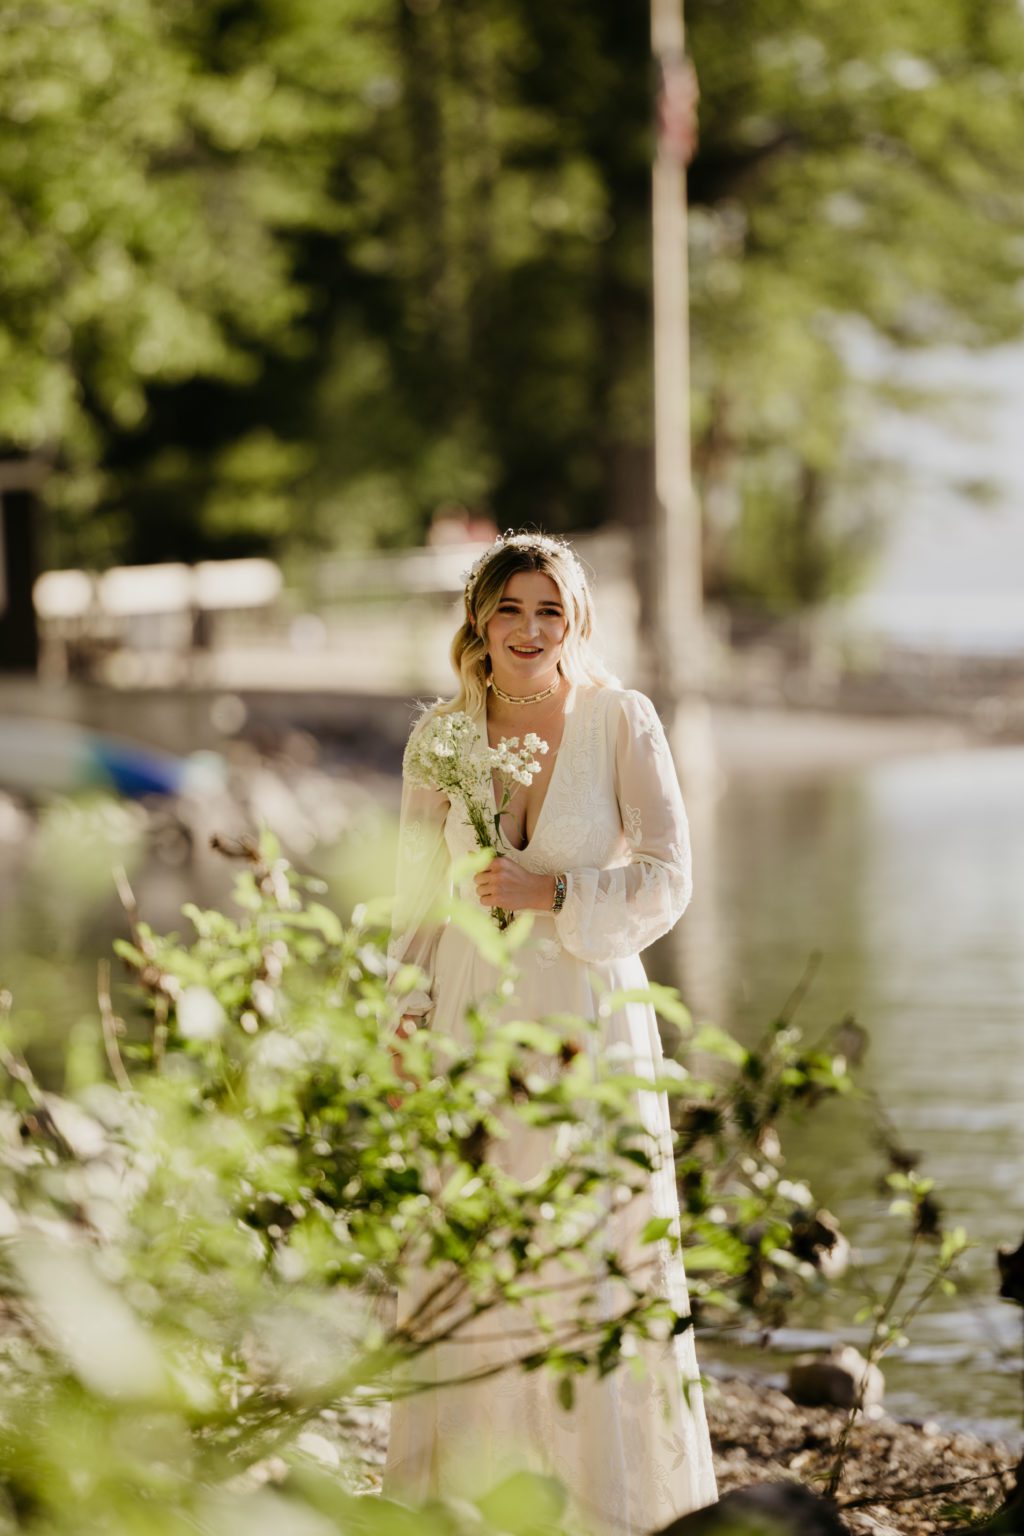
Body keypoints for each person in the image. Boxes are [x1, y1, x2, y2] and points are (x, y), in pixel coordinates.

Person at [383, 531, 718, 1534]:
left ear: (574, 622)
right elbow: (410, 894)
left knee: (584, 1236)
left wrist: (555, 889)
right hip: (467, 1017)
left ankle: (599, 1507)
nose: (529, 631)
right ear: (478, 619)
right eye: (510, 609)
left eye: (549, 612)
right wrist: (400, 1018)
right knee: (471, 1236)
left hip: (581, 1017)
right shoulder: (440, 735)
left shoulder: (622, 720)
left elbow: (668, 874)